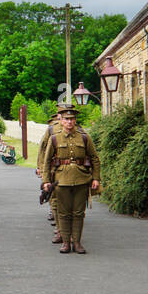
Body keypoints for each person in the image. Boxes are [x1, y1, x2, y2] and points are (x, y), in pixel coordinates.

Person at [42, 104, 101, 254]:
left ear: (75, 121)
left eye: (72, 119)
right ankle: (66, 242)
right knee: (63, 213)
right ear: (61, 121)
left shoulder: (84, 137)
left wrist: (96, 178)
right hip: (61, 180)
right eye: (66, 119)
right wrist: (46, 181)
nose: (69, 122)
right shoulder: (54, 138)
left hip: (81, 179)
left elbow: (94, 158)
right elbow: (47, 161)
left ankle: (77, 242)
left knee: (79, 213)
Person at [37, 114, 61, 239]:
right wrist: (41, 168)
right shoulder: (51, 130)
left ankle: (68, 232)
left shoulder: (78, 130)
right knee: (55, 198)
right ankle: (60, 228)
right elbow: (43, 150)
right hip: (53, 169)